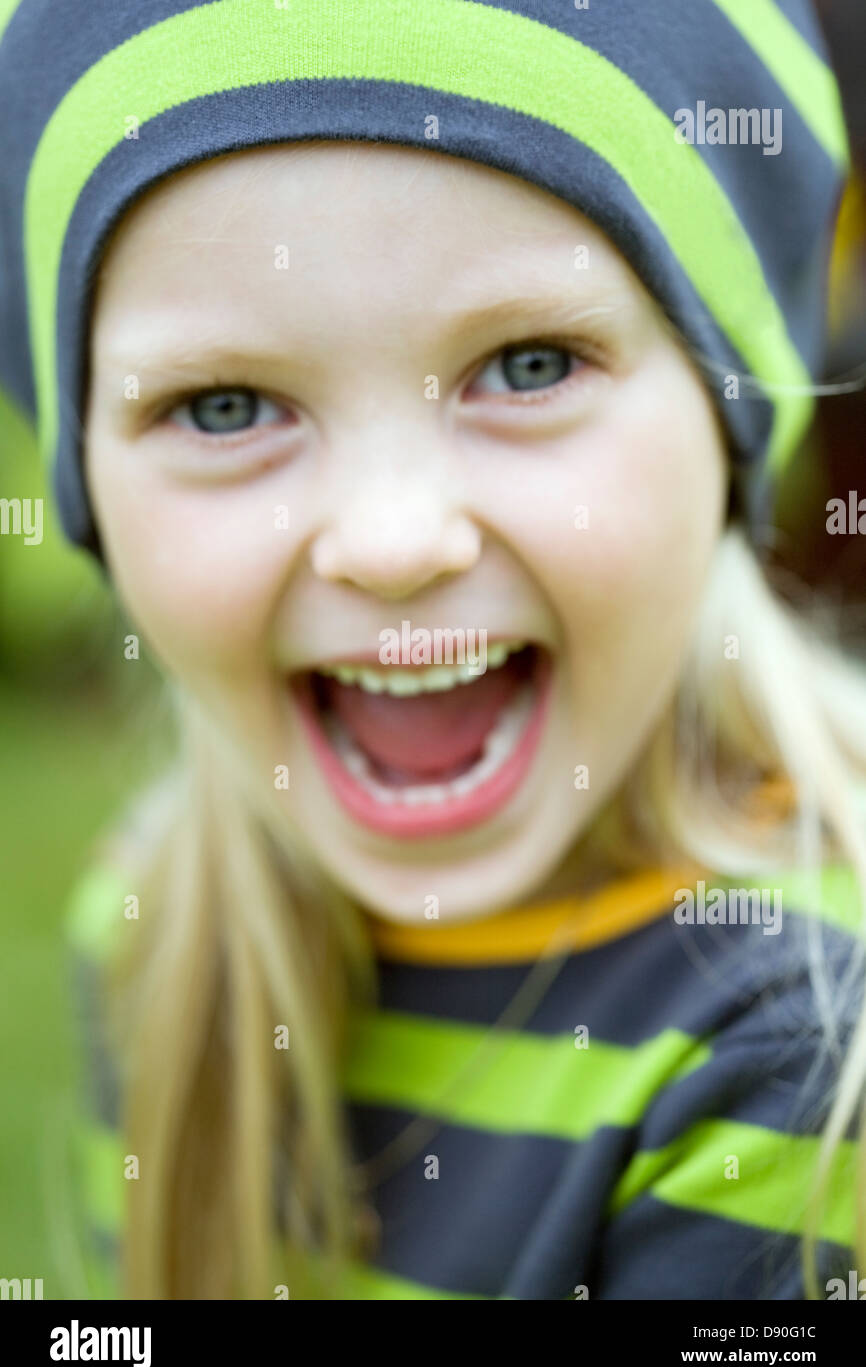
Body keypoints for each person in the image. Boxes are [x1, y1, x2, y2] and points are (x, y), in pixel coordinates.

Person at [2, 0, 865, 1300]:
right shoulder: (154, 927)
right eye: (224, 405)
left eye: (527, 365)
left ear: (727, 415)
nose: (393, 541)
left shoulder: (795, 1046)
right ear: (89, 494)